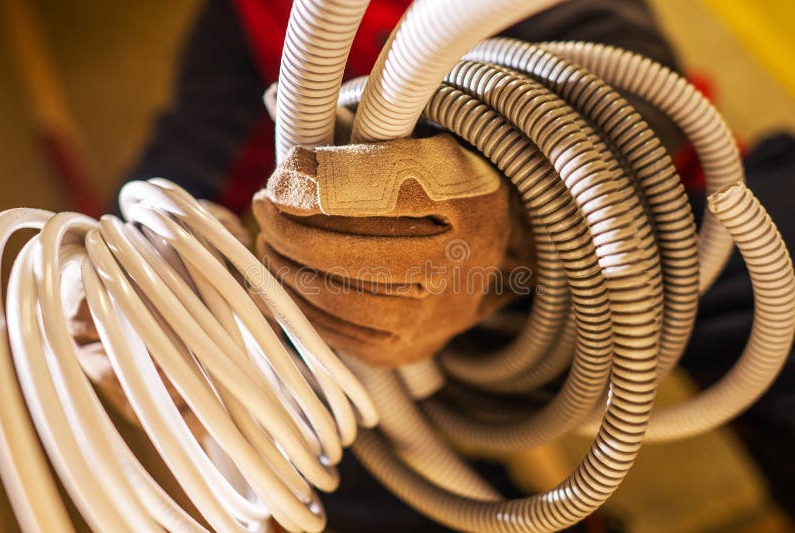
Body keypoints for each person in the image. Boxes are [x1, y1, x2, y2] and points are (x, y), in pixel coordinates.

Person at [112, 0, 795, 531]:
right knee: (318, 463)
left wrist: (509, 226)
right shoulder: (239, 21)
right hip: (418, 329)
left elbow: (625, 69)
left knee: (784, 253)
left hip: (647, 227)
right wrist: (135, 294)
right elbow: (190, 171)